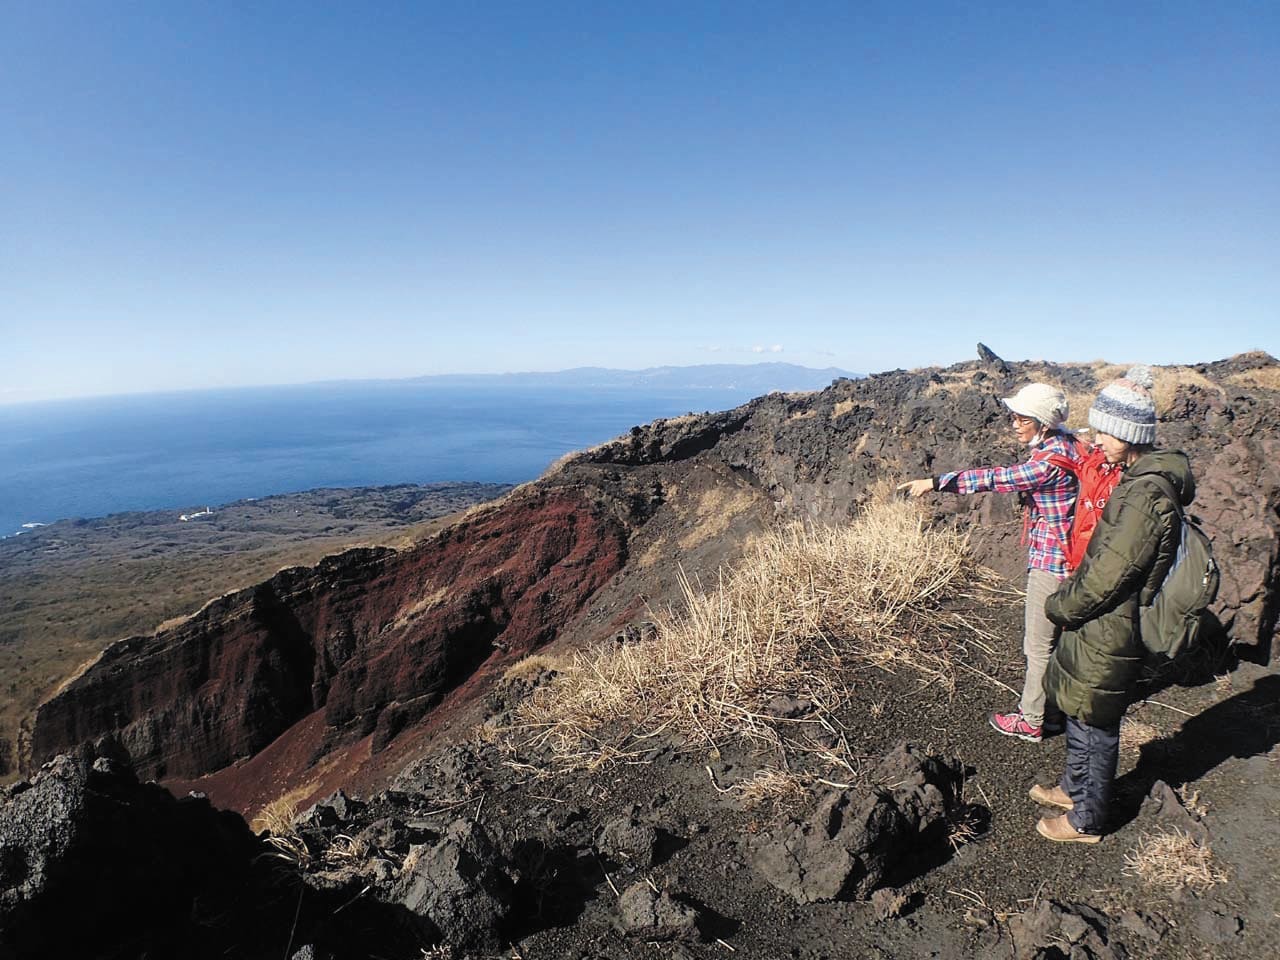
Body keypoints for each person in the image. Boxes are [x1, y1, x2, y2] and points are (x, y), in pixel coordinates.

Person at [1031, 365, 1192, 843]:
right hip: (1103, 623)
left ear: (1127, 434)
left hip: (1110, 622)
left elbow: (1108, 575)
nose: (1094, 437)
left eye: (1103, 430)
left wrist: (1060, 606)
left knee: (1096, 721)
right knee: (1084, 708)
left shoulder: (1144, 495)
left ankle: (1088, 819)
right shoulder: (1138, 479)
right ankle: (1072, 787)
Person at [898, 382, 1077, 742]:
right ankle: (1052, 710)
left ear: (1041, 421)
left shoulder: (1045, 464)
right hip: (1074, 558)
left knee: (1038, 645)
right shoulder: (1068, 444)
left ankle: (1032, 720)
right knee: (1056, 643)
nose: (1013, 423)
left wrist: (935, 483)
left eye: (1021, 417)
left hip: (1053, 563)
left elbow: (996, 479)